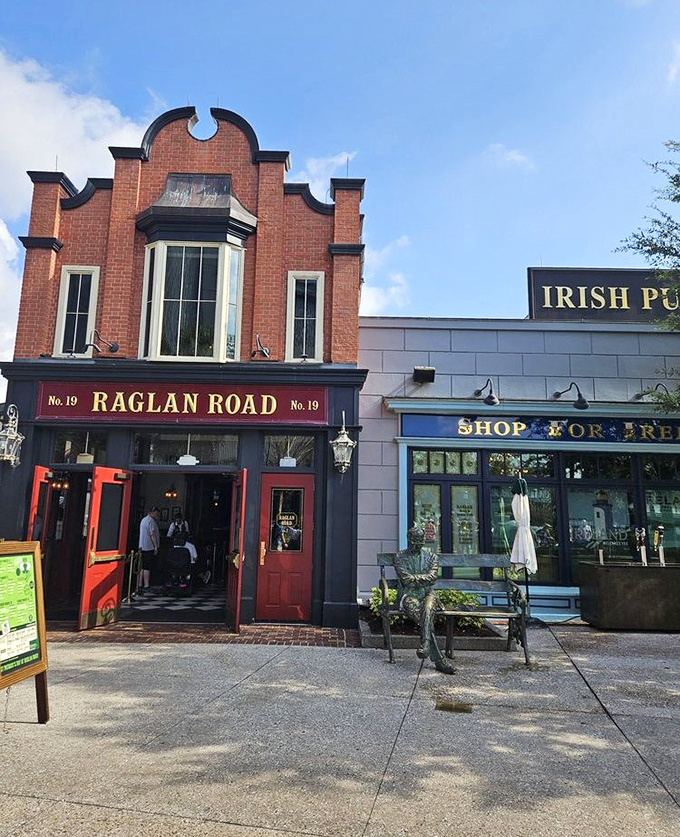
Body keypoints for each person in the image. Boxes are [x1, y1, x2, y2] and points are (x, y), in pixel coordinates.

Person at [394, 525, 455, 674]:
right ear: (408, 540)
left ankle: (426, 645)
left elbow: (432, 578)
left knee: (428, 608)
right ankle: (438, 659)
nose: (418, 544)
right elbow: (406, 579)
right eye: (415, 541)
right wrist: (422, 578)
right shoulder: (399, 557)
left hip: (428, 594)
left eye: (421, 541)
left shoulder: (432, 557)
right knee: (425, 617)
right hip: (409, 596)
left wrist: (417, 579)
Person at [137, 505, 160, 595]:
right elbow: (152, 534)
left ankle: (140, 584)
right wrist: (155, 546)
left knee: (142, 566)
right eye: (157, 513)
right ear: (153, 512)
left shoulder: (143, 520)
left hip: (142, 546)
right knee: (147, 567)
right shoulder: (150, 521)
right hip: (148, 547)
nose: (157, 515)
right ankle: (146, 585)